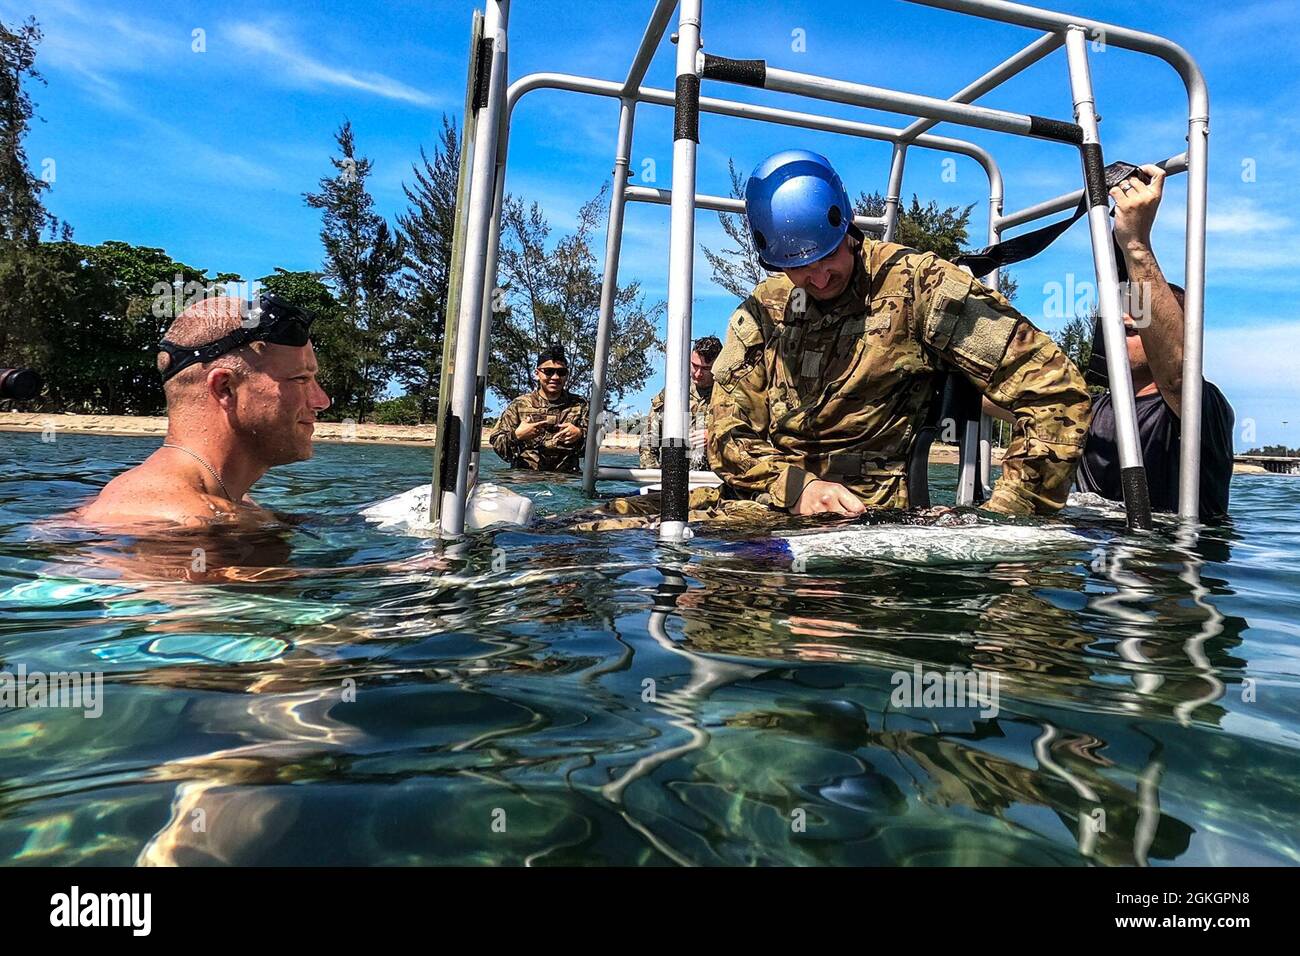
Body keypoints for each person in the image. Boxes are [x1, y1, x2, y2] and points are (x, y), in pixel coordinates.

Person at [705, 149, 1091, 517]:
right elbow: (725, 434)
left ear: (847, 226)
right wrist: (797, 488)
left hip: (860, 524)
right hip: (762, 501)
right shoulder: (767, 307)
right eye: (800, 268)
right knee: (651, 527)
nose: (819, 277)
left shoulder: (919, 285)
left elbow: (1056, 393)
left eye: (829, 255)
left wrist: (1006, 516)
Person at [75, 294, 331, 528]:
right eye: (300, 379)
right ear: (225, 388)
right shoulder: (172, 520)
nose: (322, 401)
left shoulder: (225, 504)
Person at [1077, 164, 1233, 520]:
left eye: (1142, 314)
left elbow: (1177, 373)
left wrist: (1135, 244)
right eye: (1123, 311)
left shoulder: (1202, 407)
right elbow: (1005, 399)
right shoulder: (1090, 408)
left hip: (1170, 556)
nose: (1126, 317)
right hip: (1094, 549)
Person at [489, 346, 588, 472]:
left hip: (567, 480)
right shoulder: (519, 405)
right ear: (537, 374)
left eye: (561, 372)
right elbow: (498, 446)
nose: (555, 377)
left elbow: (594, 446)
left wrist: (580, 435)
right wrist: (517, 436)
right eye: (548, 371)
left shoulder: (580, 405)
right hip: (525, 481)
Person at [639, 335, 722, 471]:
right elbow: (648, 441)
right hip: (675, 477)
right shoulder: (673, 392)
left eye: (706, 369)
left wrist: (714, 436)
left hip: (717, 478)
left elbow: (745, 438)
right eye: (695, 366)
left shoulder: (729, 394)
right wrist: (652, 476)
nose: (698, 373)